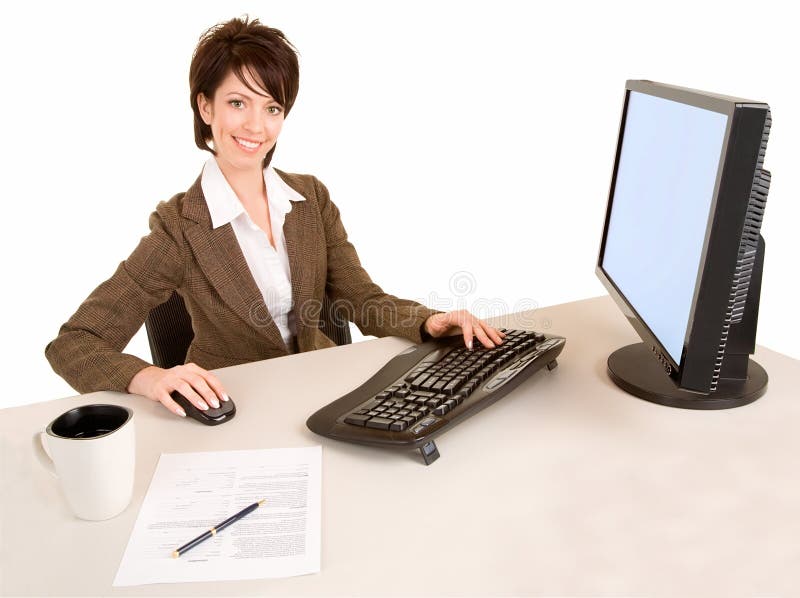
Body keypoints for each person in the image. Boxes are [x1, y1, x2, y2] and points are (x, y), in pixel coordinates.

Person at [45, 16, 504, 418]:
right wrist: (150, 378)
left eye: (272, 108)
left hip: (327, 394)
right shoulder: (179, 227)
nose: (256, 127)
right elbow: (75, 342)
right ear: (206, 107)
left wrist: (428, 323)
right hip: (236, 409)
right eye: (237, 103)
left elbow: (361, 297)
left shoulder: (310, 199)